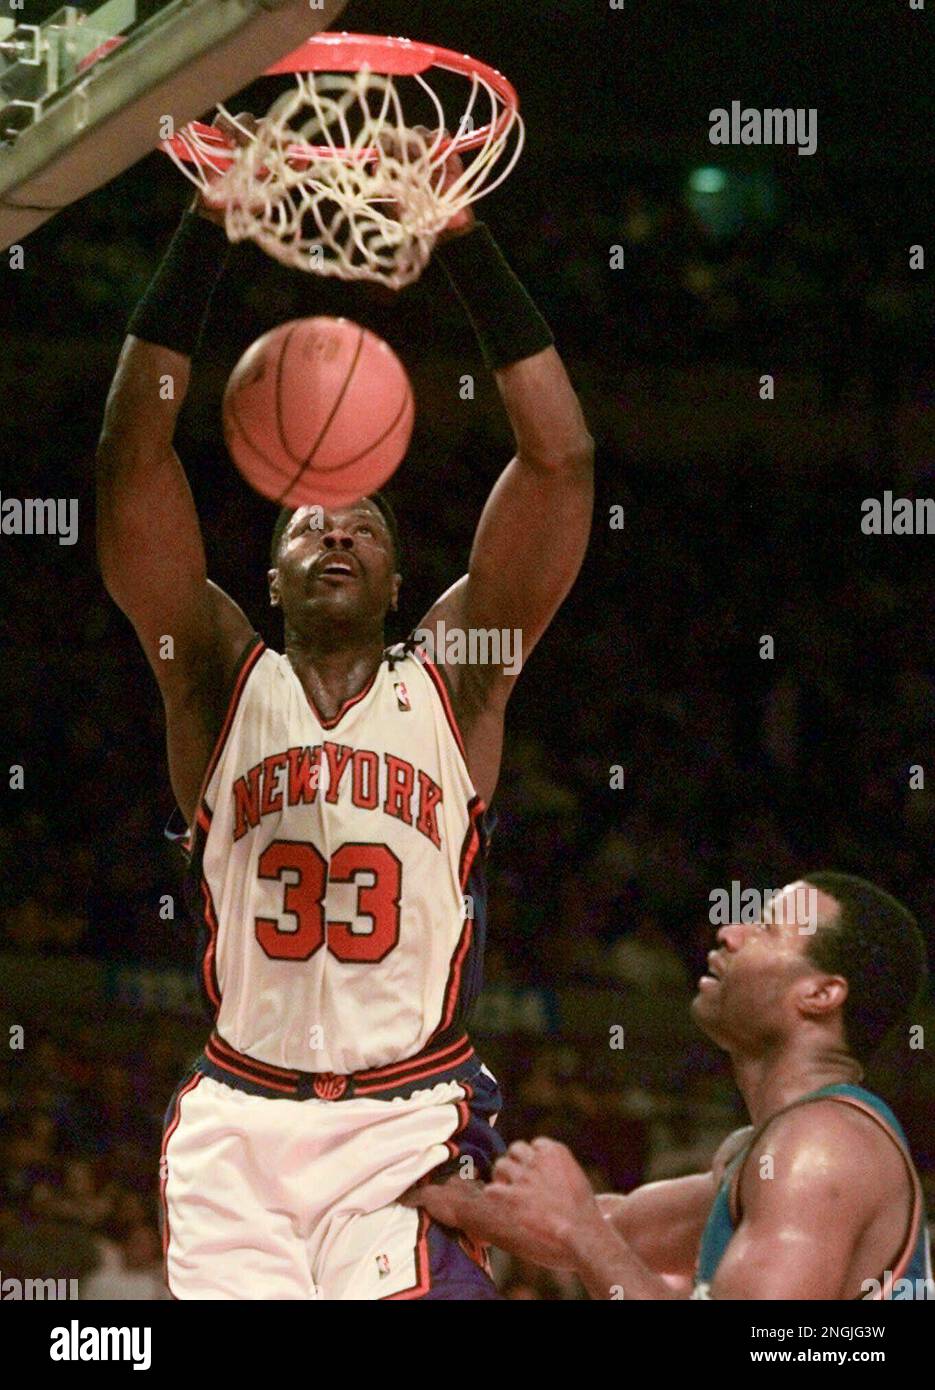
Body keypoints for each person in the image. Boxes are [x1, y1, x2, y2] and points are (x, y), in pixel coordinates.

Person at [95, 122, 593, 1299]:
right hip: (236, 1129)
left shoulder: (457, 676)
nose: (336, 526)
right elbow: (130, 456)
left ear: (398, 579)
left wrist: (459, 236)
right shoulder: (215, 674)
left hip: (403, 1120)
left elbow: (560, 463)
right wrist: (207, 224)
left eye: (365, 523)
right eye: (309, 519)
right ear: (263, 574)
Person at [408, 874, 932, 1299]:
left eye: (767, 929)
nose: (730, 932)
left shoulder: (821, 1149)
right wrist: (438, 1189)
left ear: (820, 993)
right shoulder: (765, 1153)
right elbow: (620, 1226)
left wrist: (580, 1231)